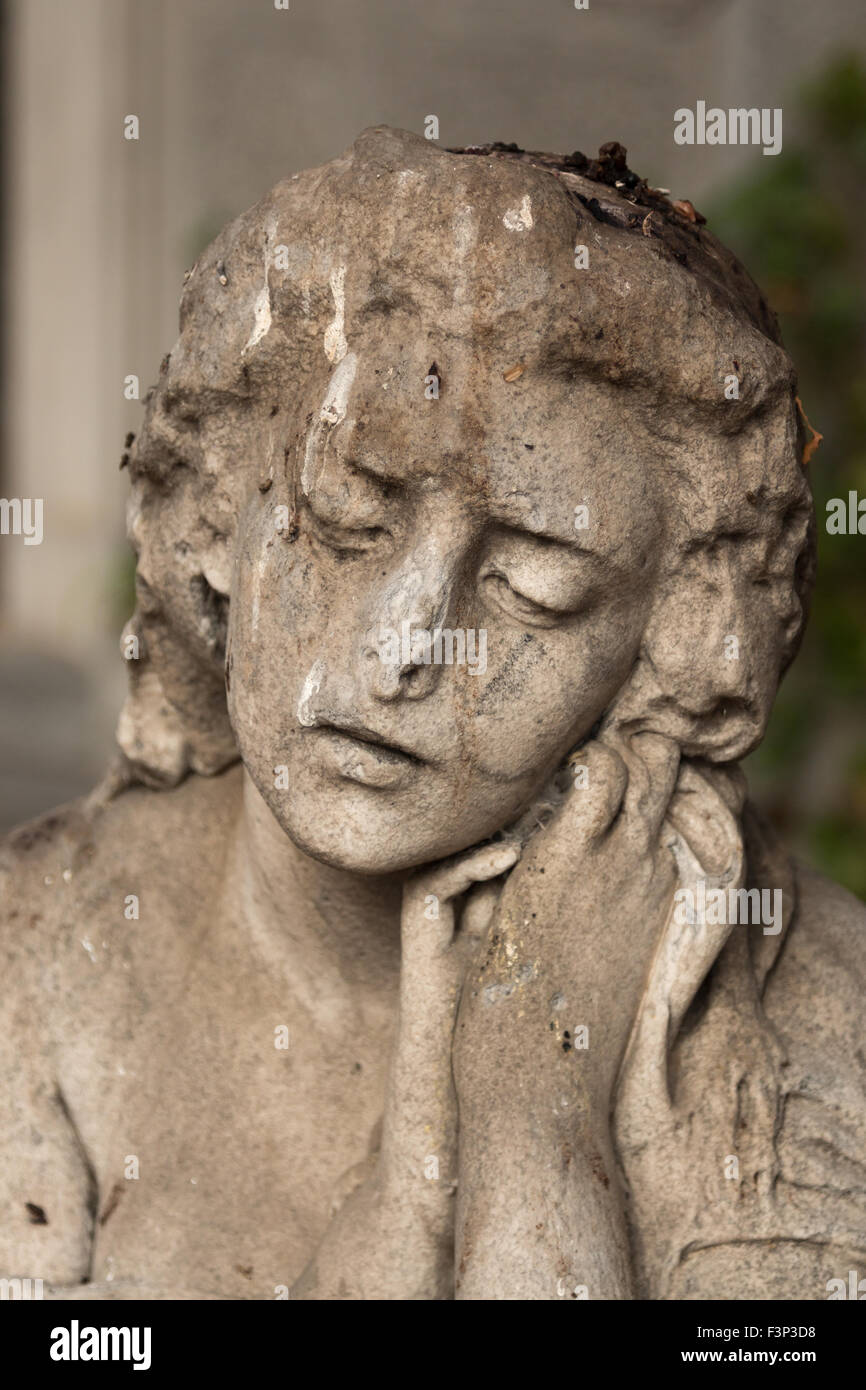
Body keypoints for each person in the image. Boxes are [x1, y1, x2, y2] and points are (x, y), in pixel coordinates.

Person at [1, 127, 863, 1300]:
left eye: (535, 586)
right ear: (215, 516)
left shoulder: (798, 1011)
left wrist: (534, 1103)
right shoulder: (42, 952)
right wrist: (413, 1189)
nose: (402, 644)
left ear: (666, 646)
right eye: (347, 517)